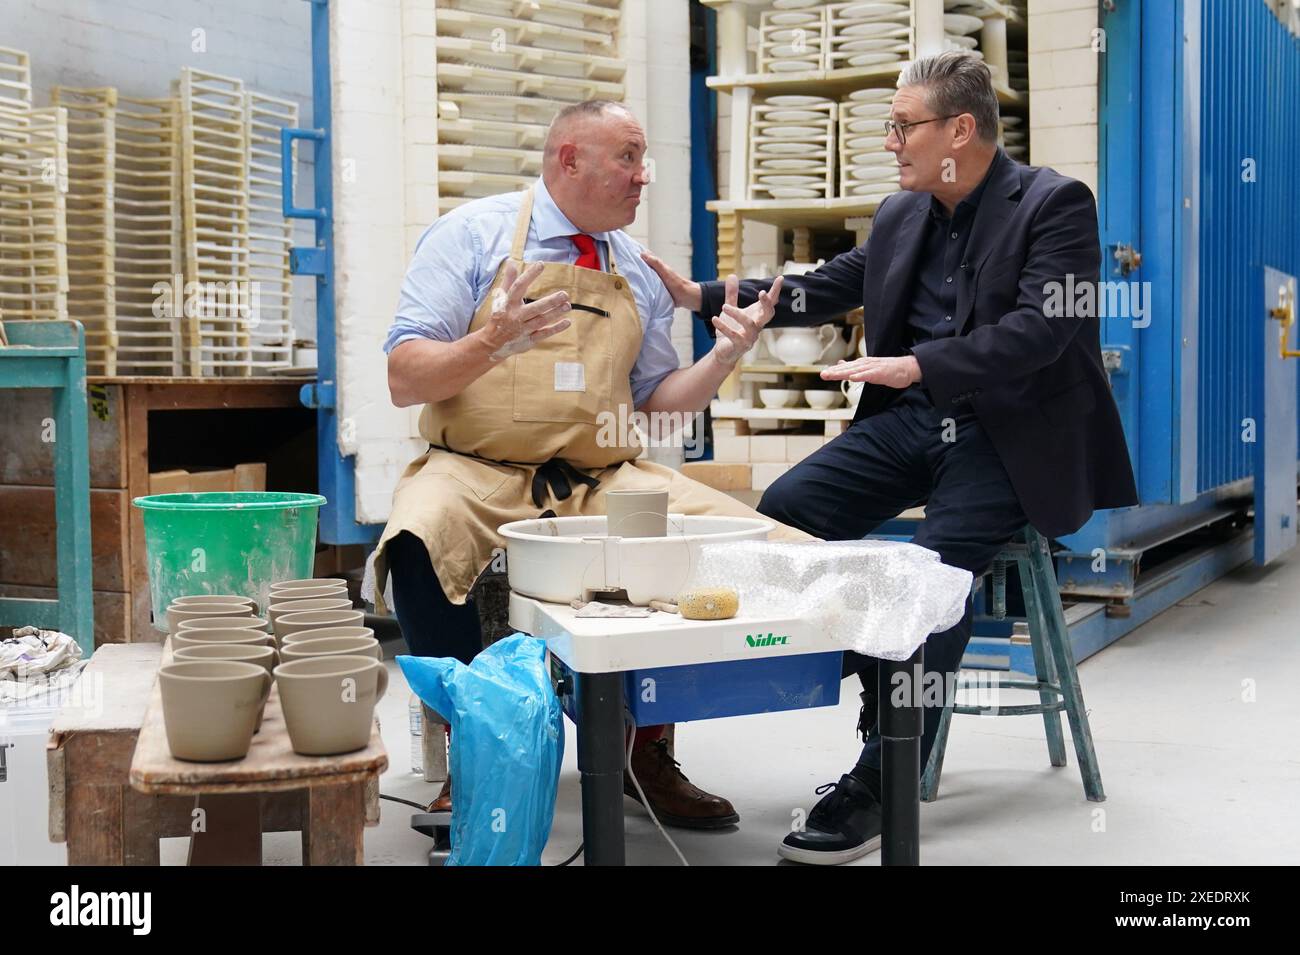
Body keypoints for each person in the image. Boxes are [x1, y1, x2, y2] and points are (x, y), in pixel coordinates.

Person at [642, 51, 1138, 863]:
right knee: (785, 516)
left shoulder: (1054, 204)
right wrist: (700, 295)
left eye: (903, 125)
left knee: (931, 582)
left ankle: (883, 775)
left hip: (1011, 433)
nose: (889, 141)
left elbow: (1046, 332)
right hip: (914, 419)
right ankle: (871, 692)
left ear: (960, 129)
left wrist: (922, 364)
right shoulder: (904, 211)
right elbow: (826, 283)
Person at [373, 99, 810, 829]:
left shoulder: (632, 267)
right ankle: (476, 752)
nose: (645, 177)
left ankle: (645, 749)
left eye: (645, 160)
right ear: (568, 159)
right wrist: (491, 341)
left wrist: (724, 358)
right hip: (477, 469)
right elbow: (402, 377)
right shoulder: (471, 237)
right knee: (419, 533)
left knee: (744, 545)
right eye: (628, 158)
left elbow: (658, 408)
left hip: (599, 476)